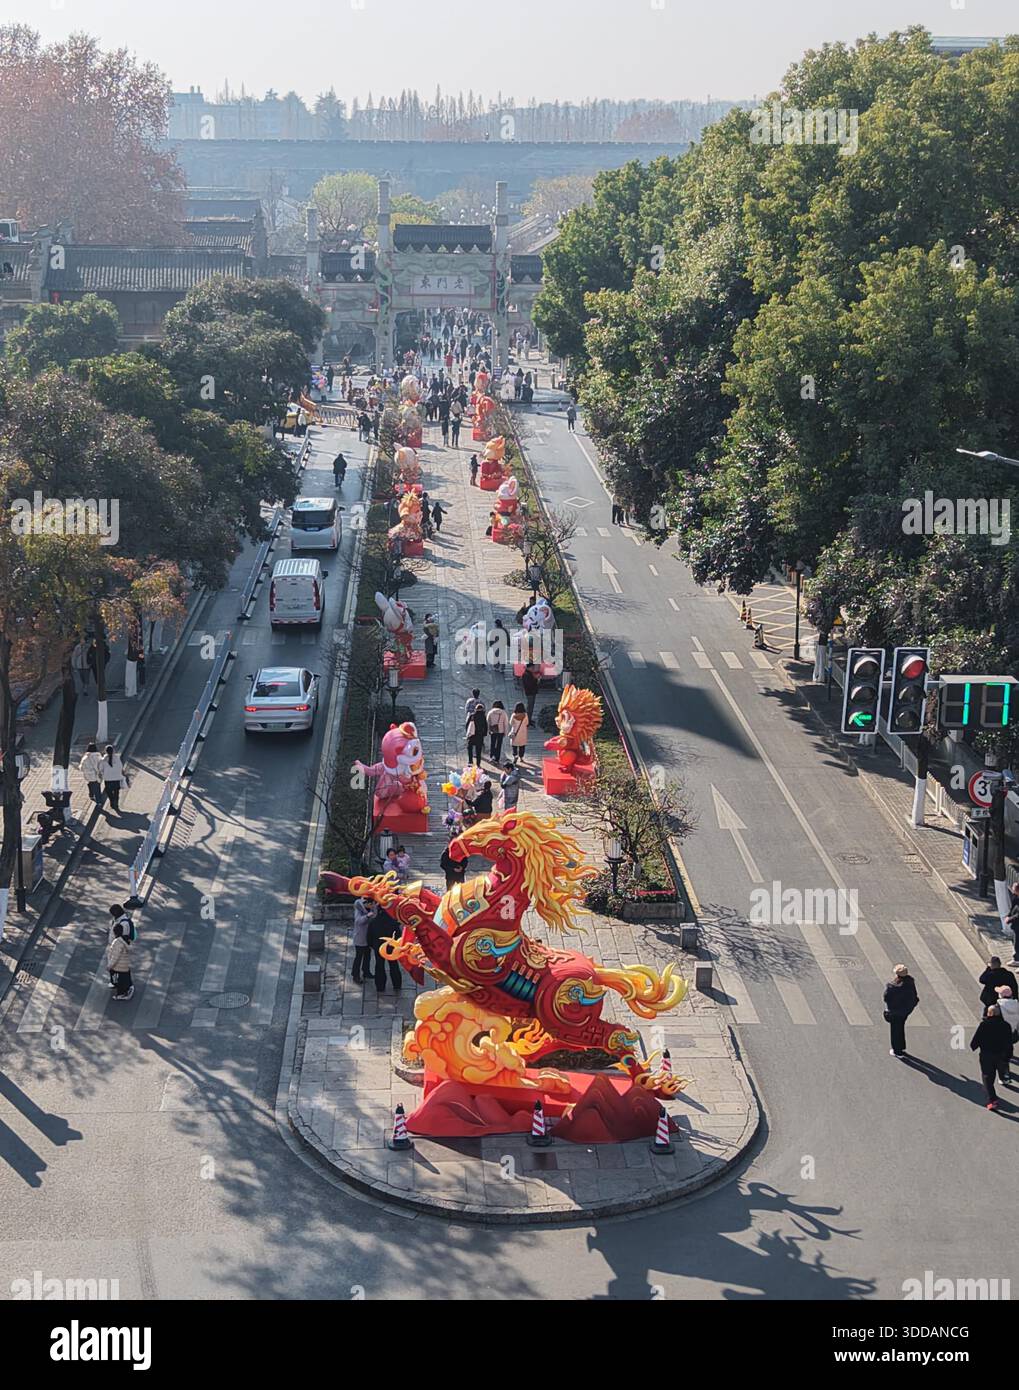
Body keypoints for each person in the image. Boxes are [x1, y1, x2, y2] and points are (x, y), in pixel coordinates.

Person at [971, 1004, 1013, 1109]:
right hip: (1001, 1055)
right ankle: (1003, 1078)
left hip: (987, 1055)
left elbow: (976, 1040)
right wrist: (1008, 1055)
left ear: (989, 1013)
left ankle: (992, 1100)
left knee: (987, 1077)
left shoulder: (984, 1025)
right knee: (1000, 1070)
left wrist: (974, 1046)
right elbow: (1009, 1042)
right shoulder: (1006, 1025)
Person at [883, 963, 919, 1058]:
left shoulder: (892, 986)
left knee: (895, 1031)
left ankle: (897, 1051)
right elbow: (914, 997)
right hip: (905, 1011)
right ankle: (901, 1047)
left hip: (894, 1012)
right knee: (900, 1028)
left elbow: (886, 997)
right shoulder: (910, 983)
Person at [368, 905, 402, 994]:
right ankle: (397, 984)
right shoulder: (393, 922)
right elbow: (399, 936)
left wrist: (373, 946)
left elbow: (369, 937)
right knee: (394, 965)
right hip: (391, 947)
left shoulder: (373, 922)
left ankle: (380, 986)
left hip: (379, 948)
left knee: (379, 966)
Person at [352, 897, 376, 985]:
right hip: (360, 937)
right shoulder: (359, 908)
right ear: (366, 903)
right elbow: (358, 921)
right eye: (371, 904)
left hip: (368, 937)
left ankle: (366, 972)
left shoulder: (371, 907)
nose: (372, 906)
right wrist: (367, 916)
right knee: (358, 957)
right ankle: (355, 975)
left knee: (367, 955)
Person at [108, 921, 134, 1001]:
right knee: (125, 978)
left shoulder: (117, 942)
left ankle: (121, 994)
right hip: (124, 965)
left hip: (118, 966)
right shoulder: (124, 939)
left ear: (114, 932)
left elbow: (115, 956)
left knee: (118, 980)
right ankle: (127, 987)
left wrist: (110, 966)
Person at [99, 744, 128, 812]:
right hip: (116, 778)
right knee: (116, 792)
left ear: (106, 751)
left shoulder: (103, 760)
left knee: (109, 791)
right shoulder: (117, 758)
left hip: (108, 779)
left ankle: (112, 802)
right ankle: (116, 803)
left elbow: (100, 769)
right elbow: (120, 767)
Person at [487, 699, 509, 764]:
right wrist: (505, 732)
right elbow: (506, 723)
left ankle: (492, 757)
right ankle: (497, 759)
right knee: (499, 745)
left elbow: (488, 721)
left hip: (493, 731)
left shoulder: (491, 712)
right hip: (501, 731)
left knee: (492, 744)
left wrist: (489, 730)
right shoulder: (503, 713)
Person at [466, 701, 488, 768]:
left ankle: (470, 761)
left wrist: (468, 733)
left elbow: (467, 725)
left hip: (472, 736)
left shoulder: (472, 716)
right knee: (478, 751)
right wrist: (484, 734)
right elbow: (486, 726)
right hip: (479, 736)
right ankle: (478, 764)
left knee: (470, 748)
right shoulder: (483, 717)